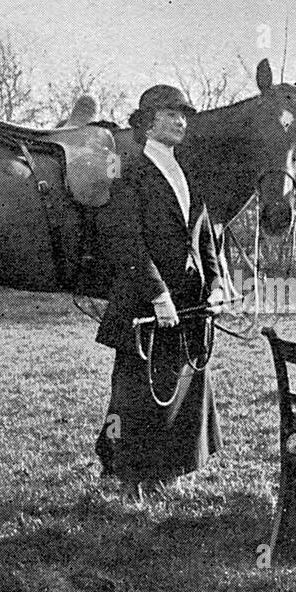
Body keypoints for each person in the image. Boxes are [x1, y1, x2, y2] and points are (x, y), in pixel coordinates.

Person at [94, 85, 225, 497]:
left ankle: (169, 470)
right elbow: (126, 240)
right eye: (172, 114)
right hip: (144, 302)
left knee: (182, 383)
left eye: (185, 115)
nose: (182, 121)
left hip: (190, 300)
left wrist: (217, 282)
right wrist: (157, 293)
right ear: (148, 120)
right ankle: (127, 474)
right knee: (136, 387)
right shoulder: (129, 171)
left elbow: (204, 236)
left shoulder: (187, 171)